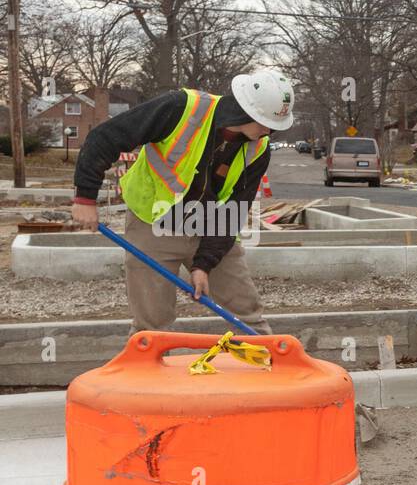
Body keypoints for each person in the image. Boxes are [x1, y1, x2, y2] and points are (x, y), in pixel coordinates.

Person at [70, 70, 296, 334]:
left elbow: (233, 213)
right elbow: (104, 138)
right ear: (245, 111)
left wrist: (203, 264)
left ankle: (263, 363)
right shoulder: (180, 108)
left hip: (208, 226)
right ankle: (148, 370)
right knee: (152, 323)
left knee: (246, 312)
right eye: (265, 122)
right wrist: (85, 198)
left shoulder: (258, 149)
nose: (269, 130)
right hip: (152, 222)